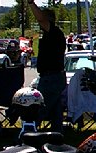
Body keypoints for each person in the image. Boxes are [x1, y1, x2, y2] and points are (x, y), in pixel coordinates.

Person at [27, 0, 66, 132]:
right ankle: (56, 135)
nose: (39, 23)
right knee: (55, 110)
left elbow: (41, 18)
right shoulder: (53, 34)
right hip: (55, 76)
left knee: (40, 107)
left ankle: (28, 134)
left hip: (51, 78)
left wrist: (31, 3)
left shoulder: (53, 32)